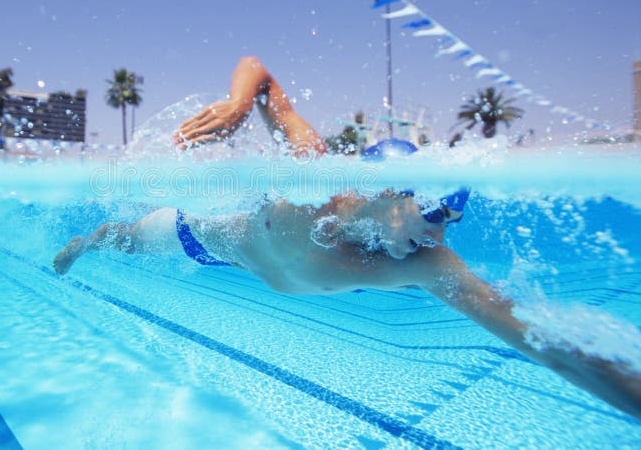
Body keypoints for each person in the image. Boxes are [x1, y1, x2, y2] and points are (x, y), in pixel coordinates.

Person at [55, 56, 641, 420]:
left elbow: (546, 346)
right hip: (203, 237)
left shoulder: (424, 263)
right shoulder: (316, 174)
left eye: (447, 226)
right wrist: (238, 105)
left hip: (246, 261)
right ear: (394, 191)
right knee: (120, 238)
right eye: (433, 217)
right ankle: (88, 240)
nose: (435, 237)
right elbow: (258, 70)